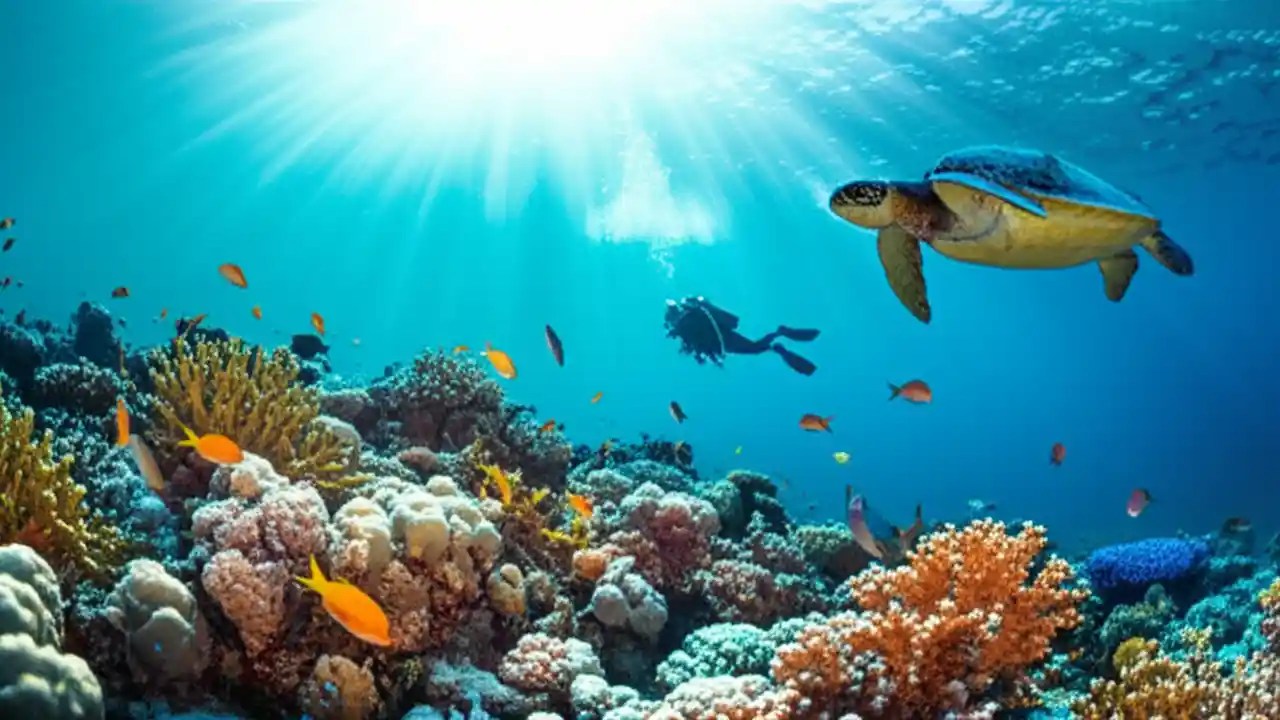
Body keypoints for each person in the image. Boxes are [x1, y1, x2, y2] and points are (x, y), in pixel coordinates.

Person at [663, 296, 820, 375]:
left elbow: (691, 347)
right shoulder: (691, 313)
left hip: (722, 341)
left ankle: (778, 339)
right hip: (723, 337)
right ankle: (778, 338)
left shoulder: (681, 325)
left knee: (756, 348)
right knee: (755, 348)